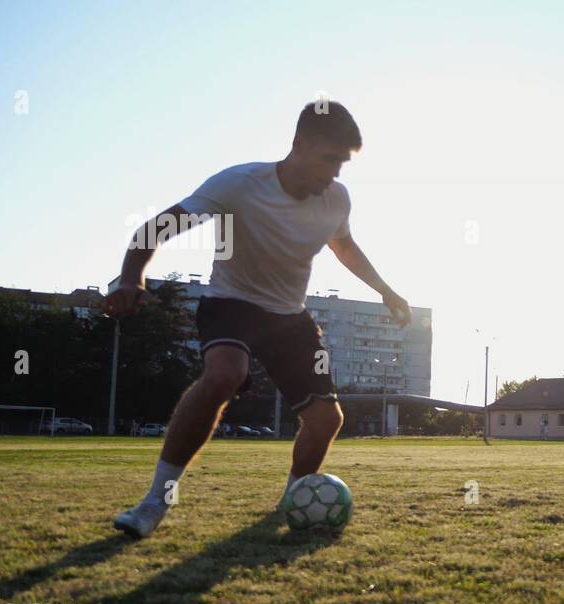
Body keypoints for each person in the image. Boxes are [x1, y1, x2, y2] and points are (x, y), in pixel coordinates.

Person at [106, 102, 411, 538]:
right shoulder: (239, 184)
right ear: (299, 144)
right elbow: (155, 229)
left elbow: (343, 246)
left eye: (343, 164)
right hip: (232, 303)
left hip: (289, 317)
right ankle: (155, 501)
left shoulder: (336, 198)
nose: (335, 174)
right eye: (329, 159)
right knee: (224, 376)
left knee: (327, 420)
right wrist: (131, 279)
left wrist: (385, 289)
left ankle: (292, 502)